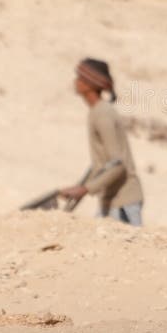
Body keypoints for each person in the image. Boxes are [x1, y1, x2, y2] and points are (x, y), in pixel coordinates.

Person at [60, 58, 144, 225]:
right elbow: (102, 163)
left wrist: (85, 189)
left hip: (123, 202)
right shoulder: (97, 112)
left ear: (90, 84)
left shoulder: (103, 114)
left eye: (79, 77)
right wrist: (79, 186)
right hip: (110, 200)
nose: (75, 81)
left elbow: (117, 164)